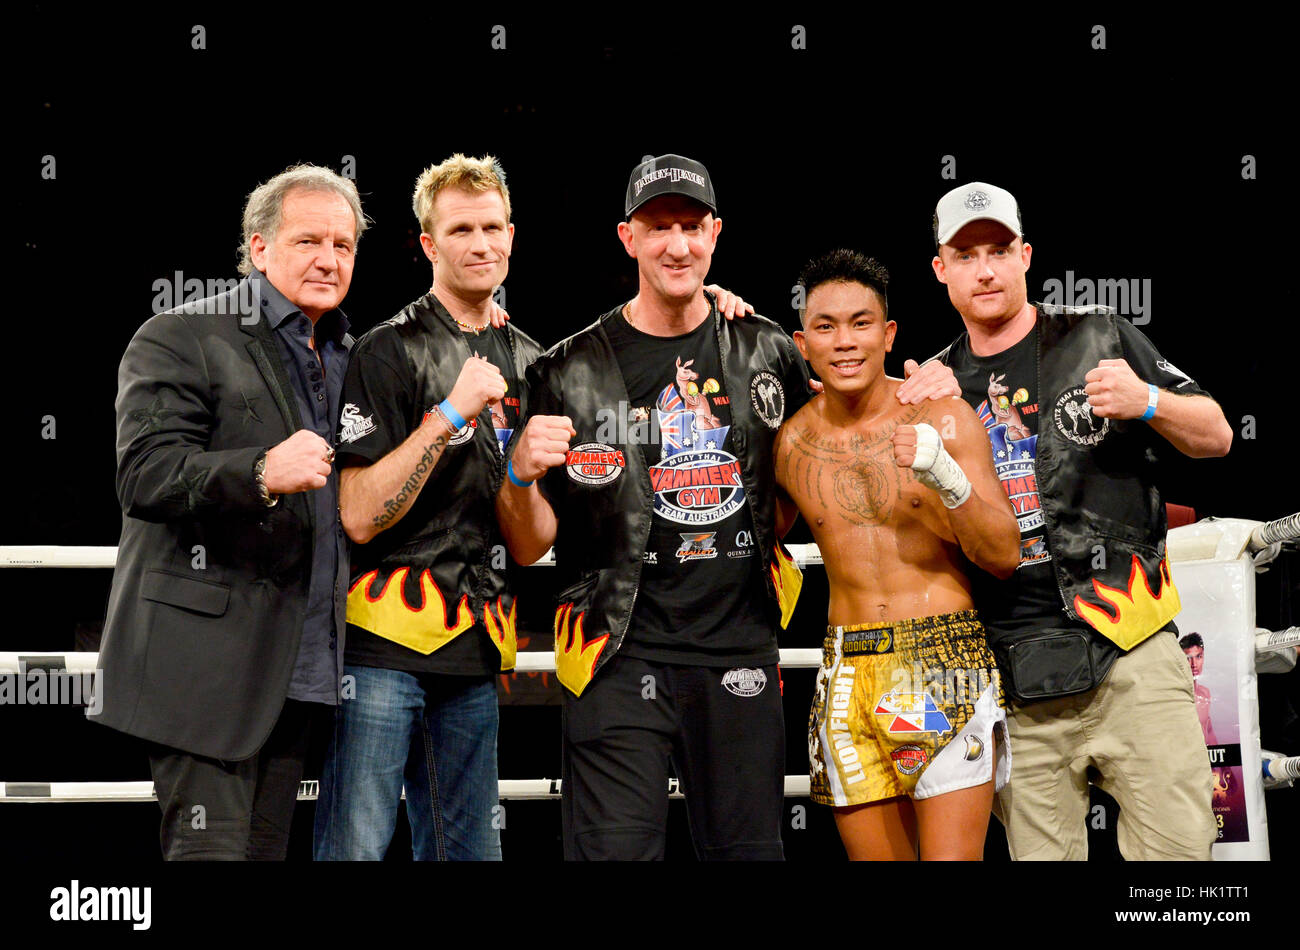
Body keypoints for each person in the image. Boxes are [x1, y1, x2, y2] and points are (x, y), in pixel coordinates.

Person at [494, 153, 818, 860]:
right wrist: (517, 476)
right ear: (627, 238)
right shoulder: (566, 368)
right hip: (615, 655)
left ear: (716, 233)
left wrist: (922, 385)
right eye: (659, 226)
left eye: (692, 226)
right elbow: (526, 547)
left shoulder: (765, 349)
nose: (678, 244)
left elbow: (821, 462)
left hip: (740, 650)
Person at [928, 181, 1232, 860]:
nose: (986, 268)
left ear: (1026, 255)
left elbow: (1217, 435)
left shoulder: (1098, 332)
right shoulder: (934, 384)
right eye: (966, 253)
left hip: (1132, 647)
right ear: (940, 268)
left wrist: (1148, 399)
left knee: (1181, 861)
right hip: (1014, 672)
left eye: (1000, 249)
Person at [91, 164, 364, 859]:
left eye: (343, 244)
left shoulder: (346, 356)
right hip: (205, 674)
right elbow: (144, 476)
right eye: (308, 241)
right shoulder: (182, 333)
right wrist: (261, 471)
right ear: (260, 247)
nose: (329, 259)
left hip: (301, 674)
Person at [308, 154, 538, 861]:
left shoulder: (531, 359)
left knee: (469, 851)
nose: (480, 243)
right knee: (354, 848)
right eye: (461, 229)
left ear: (510, 237)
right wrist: (446, 415)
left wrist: (523, 475)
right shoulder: (386, 350)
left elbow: (527, 547)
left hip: (477, 652)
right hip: (380, 650)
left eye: (492, 226)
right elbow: (356, 514)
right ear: (430, 246)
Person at [775, 249, 1020, 860]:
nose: (845, 342)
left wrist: (946, 477)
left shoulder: (946, 416)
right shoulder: (790, 444)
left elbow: (1004, 554)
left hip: (941, 654)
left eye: (861, 323)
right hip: (844, 673)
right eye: (826, 327)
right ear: (803, 344)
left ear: (888, 335)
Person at [1180, 632, 1218, 745]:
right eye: (1188, 658)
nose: (1194, 664)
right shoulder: (1177, 695)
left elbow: (1209, 730)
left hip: (1207, 758)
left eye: (1198, 656)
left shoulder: (1205, 693)